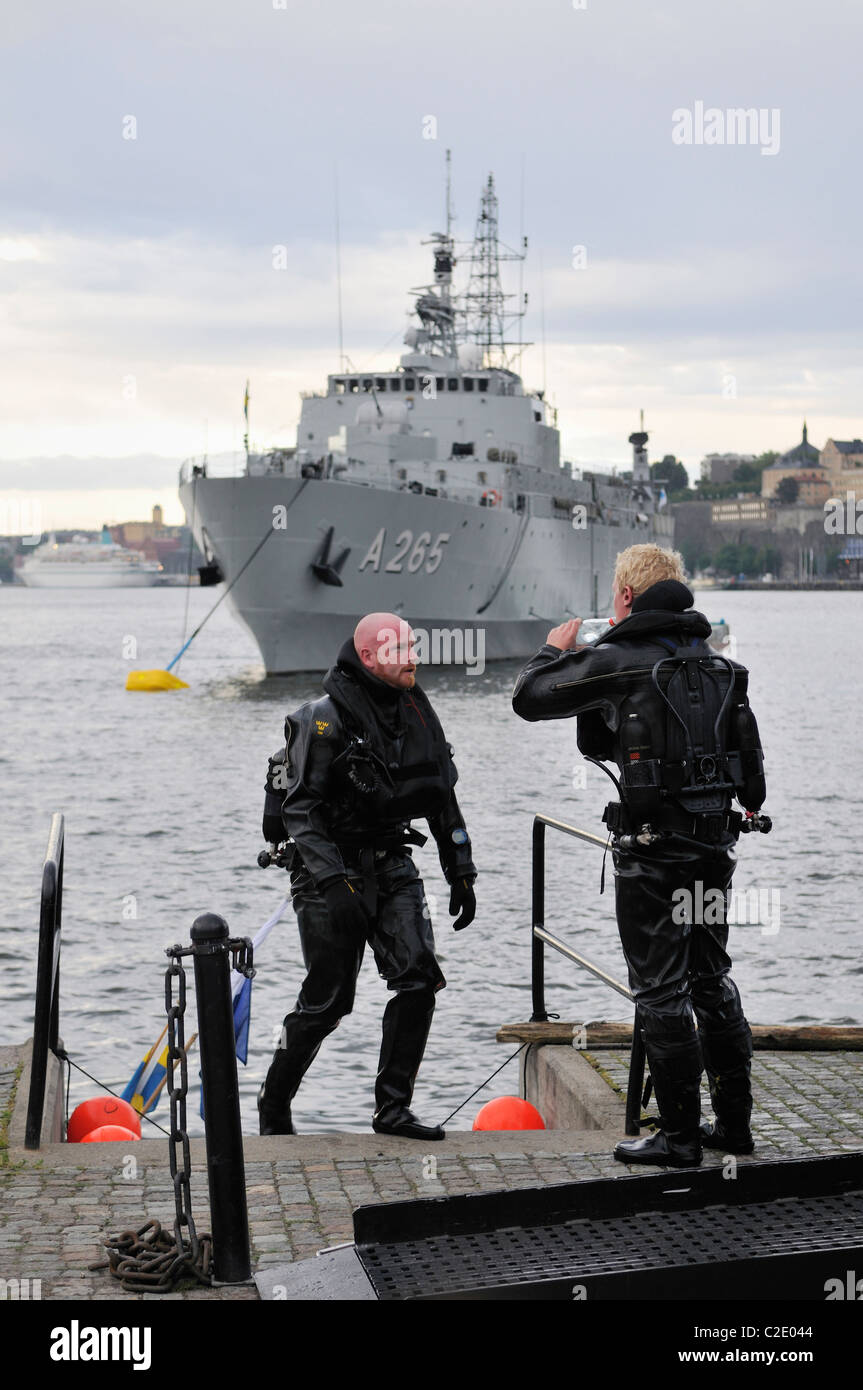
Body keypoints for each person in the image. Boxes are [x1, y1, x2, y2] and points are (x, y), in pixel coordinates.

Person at [512, 544, 768, 1168]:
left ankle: (679, 1138)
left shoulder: (620, 659)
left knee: (659, 992)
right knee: (712, 979)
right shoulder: (717, 662)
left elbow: (529, 697)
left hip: (654, 856)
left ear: (625, 597)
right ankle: (733, 1129)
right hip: (715, 847)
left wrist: (557, 649)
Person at [258, 612, 477, 1141]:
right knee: (329, 1000)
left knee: (420, 977)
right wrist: (333, 884)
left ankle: (392, 1109)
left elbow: (438, 793)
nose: (413, 656)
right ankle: (273, 1101)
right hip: (326, 869)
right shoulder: (324, 719)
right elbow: (301, 810)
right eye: (400, 648)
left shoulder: (416, 715)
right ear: (371, 657)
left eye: (414, 646)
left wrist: (461, 870)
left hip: (392, 862)